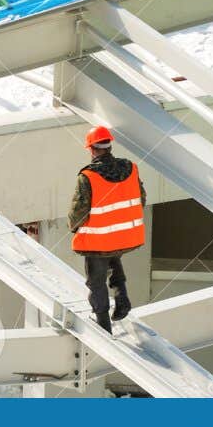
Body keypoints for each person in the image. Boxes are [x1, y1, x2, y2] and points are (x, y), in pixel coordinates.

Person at [67, 125, 146, 332]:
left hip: (100, 239)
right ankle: (122, 300)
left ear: (92, 149)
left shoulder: (88, 176)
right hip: (124, 235)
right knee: (114, 258)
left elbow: (79, 211)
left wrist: (73, 227)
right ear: (109, 146)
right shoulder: (130, 167)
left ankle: (103, 323)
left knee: (96, 280)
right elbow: (141, 199)